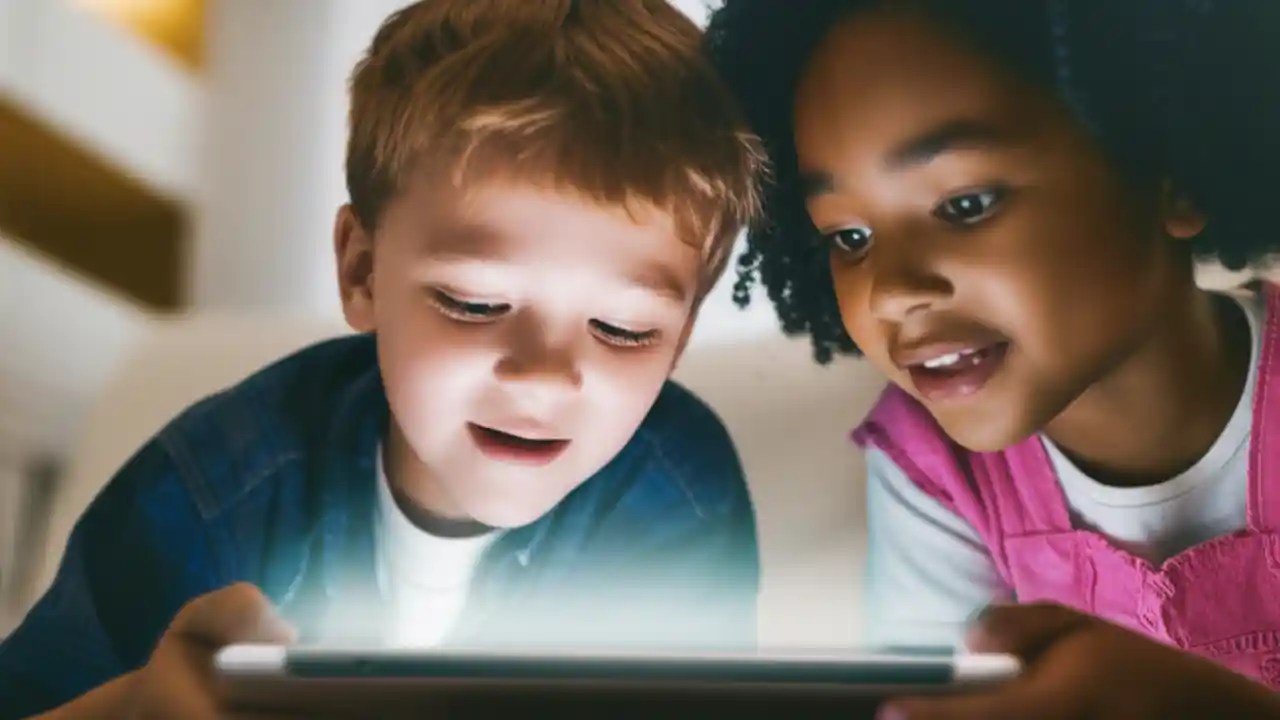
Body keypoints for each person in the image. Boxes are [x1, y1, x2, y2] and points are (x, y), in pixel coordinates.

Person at [0, 1, 766, 717]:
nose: (543, 375)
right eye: (474, 304)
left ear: (683, 336)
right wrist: (138, 702)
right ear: (362, 273)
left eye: (625, 329)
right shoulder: (211, 485)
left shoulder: (680, 500)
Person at [705, 0, 1280, 717]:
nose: (892, 291)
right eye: (849, 237)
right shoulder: (930, 474)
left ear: (1173, 175)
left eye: (967, 203)